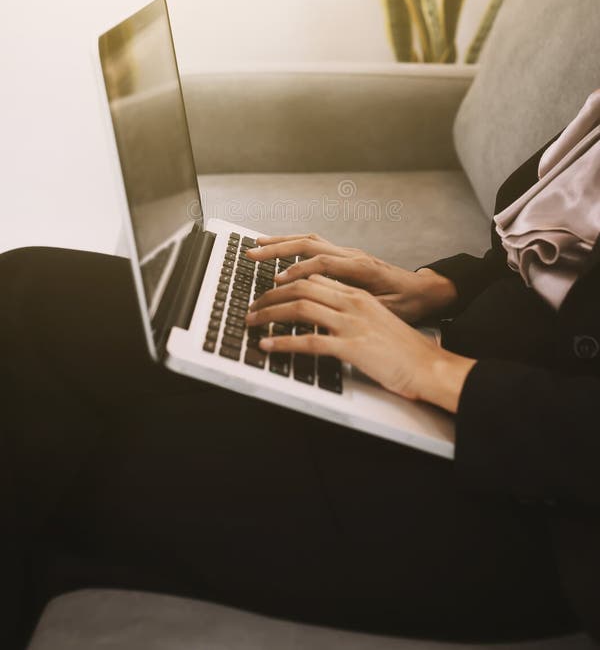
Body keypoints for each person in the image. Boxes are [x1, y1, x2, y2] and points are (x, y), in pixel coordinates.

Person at [2, 92, 599, 650]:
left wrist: (438, 372)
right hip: (470, 366)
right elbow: (556, 253)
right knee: (28, 292)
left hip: (532, 506)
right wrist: (440, 286)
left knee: (72, 463)